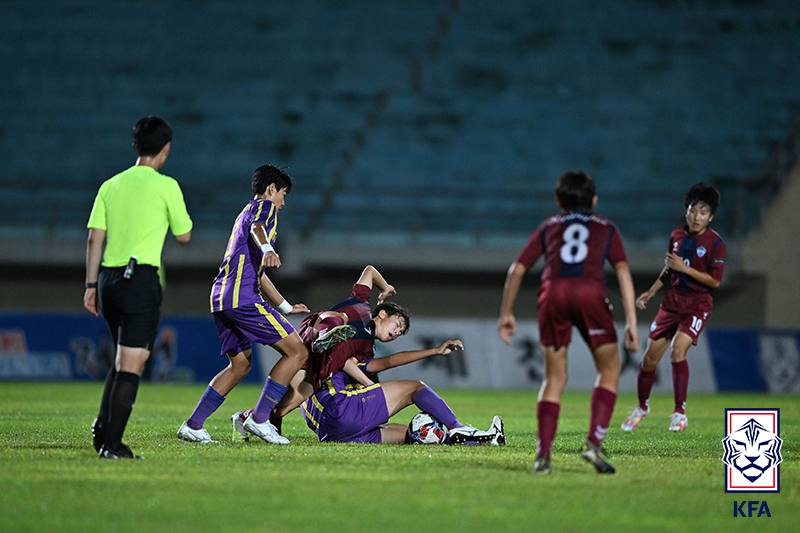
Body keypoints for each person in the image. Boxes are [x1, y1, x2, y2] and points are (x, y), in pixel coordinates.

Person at [498, 170, 638, 475]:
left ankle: (543, 456)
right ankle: (593, 443)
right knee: (610, 368)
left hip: (553, 293)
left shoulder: (549, 225)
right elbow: (623, 272)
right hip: (589, 291)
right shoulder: (607, 227)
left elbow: (518, 268)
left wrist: (506, 312)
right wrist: (631, 321)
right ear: (595, 200)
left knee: (554, 377)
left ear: (559, 200)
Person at [176, 165, 312, 445]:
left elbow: (259, 274)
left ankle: (193, 425)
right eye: (283, 194)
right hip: (241, 297)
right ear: (272, 189)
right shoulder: (264, 208)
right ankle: (260, 418)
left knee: (240, 366)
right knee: (298, 352)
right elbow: (258, 229)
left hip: (221, 296)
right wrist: (269, 248)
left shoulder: (243, 213)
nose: (283, 203)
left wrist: (286, 307)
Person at [84, 116, 193, 459]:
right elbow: (184, 235)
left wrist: (90, 285)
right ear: (166, 149)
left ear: (134, 147)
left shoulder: (110, 185)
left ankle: (103, 430)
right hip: (140, 281)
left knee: (122, 357)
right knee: (132, 363)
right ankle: (112, 446)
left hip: (106, 280)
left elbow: (94, 239)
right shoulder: (166, 186)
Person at [230, 264, 410, 441]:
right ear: (383, 314)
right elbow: (370, 271)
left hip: (321, 366)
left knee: (281, 408)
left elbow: (348, 364)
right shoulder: (361, 304)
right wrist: (384, 287)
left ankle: (247, 418)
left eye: (400, 333)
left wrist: (368, 385)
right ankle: (325, 336)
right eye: (398, 324)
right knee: (340, 317)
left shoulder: (368, 350)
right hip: (314, 333)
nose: (397, 332)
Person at [621, 183, 725, 433]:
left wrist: (685, 268)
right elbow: (670, 268)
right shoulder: (677, 236)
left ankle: (680, 414)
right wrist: (653, 290)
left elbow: (715, 281)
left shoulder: (716, 243)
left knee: (678, 351)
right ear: (686, 211)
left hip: (698, 304)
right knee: (648, 359)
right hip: (672, 302)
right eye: (693, 210)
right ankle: (642, 408)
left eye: (703, 212)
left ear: (710, 217)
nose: (697, 216)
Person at [297, 343, 505, 445]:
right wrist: (434, 351)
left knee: (413, 435)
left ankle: (484, 439)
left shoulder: (303, 380)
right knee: (415, 387)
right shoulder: (343, 365)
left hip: (334, 436)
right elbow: (390, 361)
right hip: (341, 410)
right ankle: (458, 428)